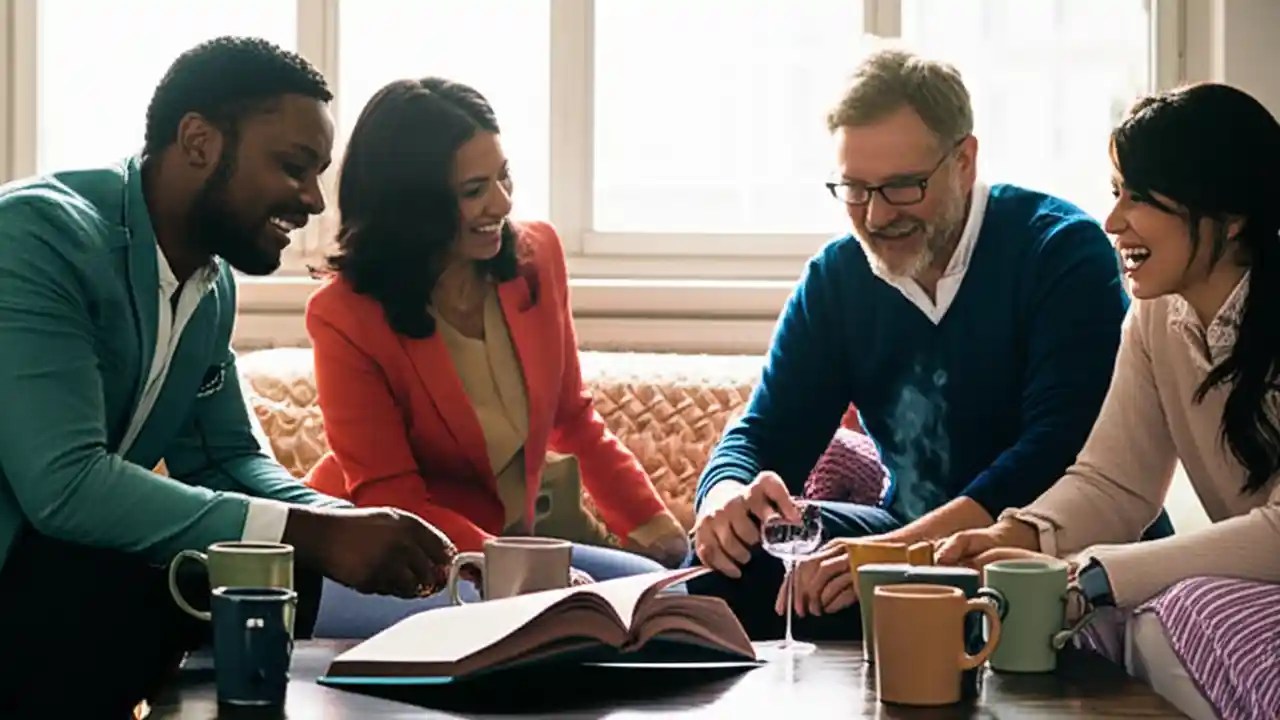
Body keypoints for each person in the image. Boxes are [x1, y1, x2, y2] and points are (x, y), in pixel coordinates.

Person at [0, 37, 459, 717]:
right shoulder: (37, 237)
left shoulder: (208, 286)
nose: (310, 201)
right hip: (25, 581)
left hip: (52, 593)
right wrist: (317, 536)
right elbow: (63, 485)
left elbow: (227, 459)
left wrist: (346, 523)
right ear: (198, 141)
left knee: (264, 583)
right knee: (142, 587)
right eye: (293, 167)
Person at [684, 48, 1171, 640]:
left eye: (902, 187)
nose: (876, 215)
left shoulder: (1060, 251)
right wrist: (726, 492)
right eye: (855, 189)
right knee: (720, 576)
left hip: (1050, 546)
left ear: (964, 161)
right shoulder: (837, 278)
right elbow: (766, 429)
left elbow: (1059, 449)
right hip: (908, 538)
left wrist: (898, 551)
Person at [936, 82, 1280, 720]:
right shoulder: (1154, 316)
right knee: (1121, 623)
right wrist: (1021, 536)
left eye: (1141, 197)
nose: (1113, 221)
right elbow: (1116, 483)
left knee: (1181, 610)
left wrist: (1087, 577)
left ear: (1232, 218)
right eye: (1116, 190)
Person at [303, 77, 689, 607]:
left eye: (504, 177)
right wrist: (520, 572)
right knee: (569, 622)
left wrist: (659, 531)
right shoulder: (344, 314)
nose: (501, 203)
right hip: (393, 559)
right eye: (473, 190)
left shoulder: (537, 257)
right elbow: (392, 496)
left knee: (665, 596)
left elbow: (571, 417)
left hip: (504, 548)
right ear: (413, 205)